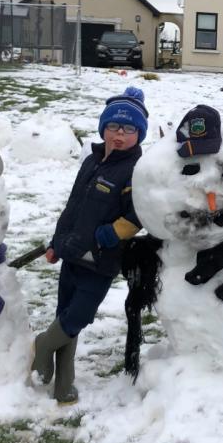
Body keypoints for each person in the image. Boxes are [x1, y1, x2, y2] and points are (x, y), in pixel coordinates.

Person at [32, 86, 147, 404]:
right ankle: (62, 385)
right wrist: (56, 242)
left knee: (77, 317)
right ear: (103, 128)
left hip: (100, 260)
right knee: (64, 316)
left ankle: (41, 347)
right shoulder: (91, 162)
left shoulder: (136, 171)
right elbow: (72, 209)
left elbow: (137, 215)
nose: (119, 134)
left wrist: (109, 234)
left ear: (139, 134)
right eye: (113, 127)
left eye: (128, 129)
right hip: (70, 253)